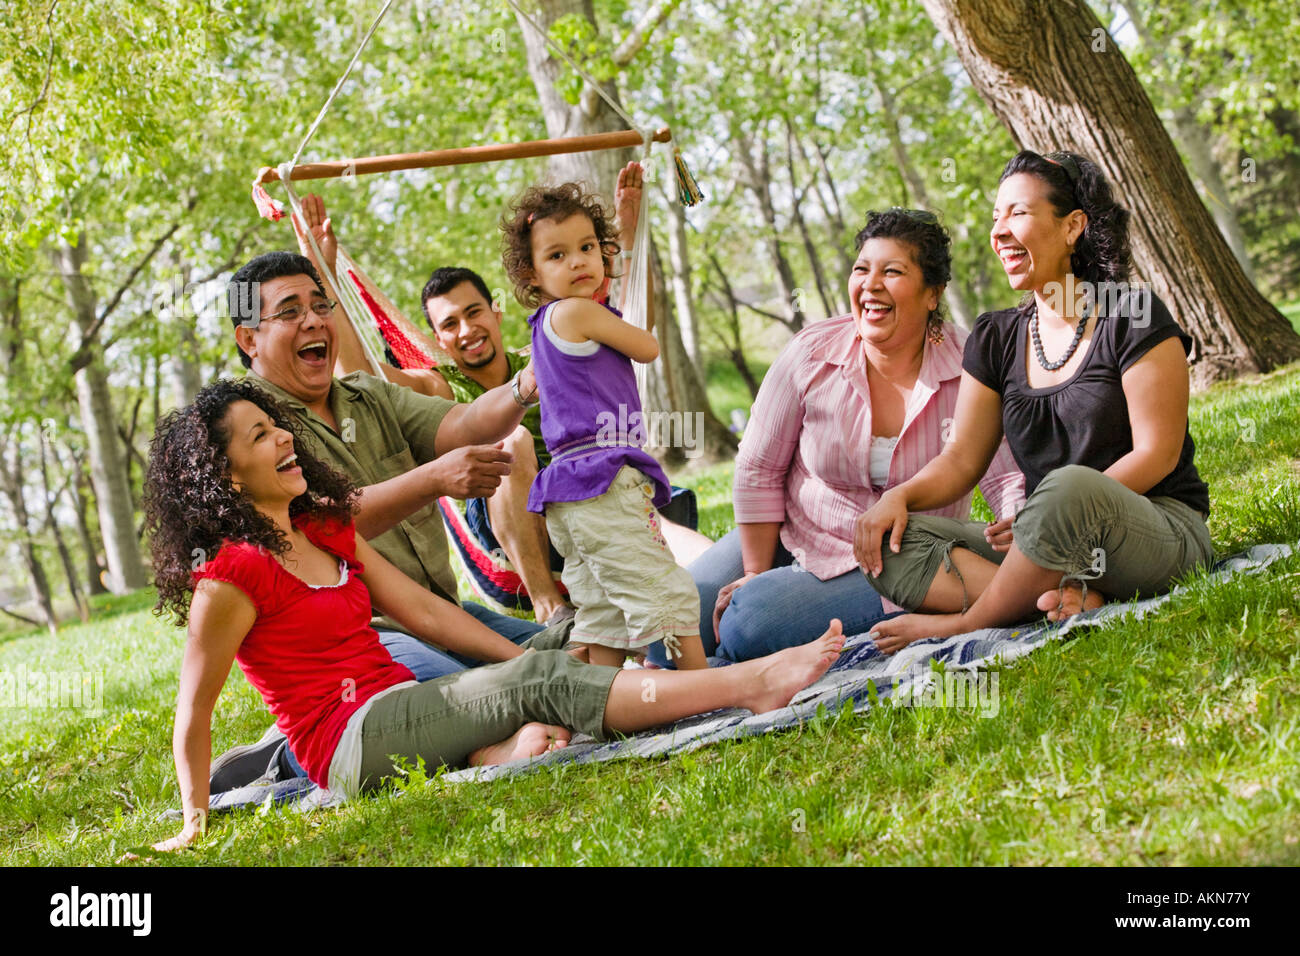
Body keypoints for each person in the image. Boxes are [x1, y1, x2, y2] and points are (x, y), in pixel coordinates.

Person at [143, 380, 846, 851]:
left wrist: (527, 660)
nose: (283, 438)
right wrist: (193, 820)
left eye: (276, 426)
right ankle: (749, 685)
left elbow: (423, 610)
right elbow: (193, 712)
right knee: (547, 681)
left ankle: (499, 749)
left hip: (403, 704)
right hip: (348, 745)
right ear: (226, 475)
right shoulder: (229, 575)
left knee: (586, 626)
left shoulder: (323, 525)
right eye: (260, 436)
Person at [288, 170, 713, 625]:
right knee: (512, 443)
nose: (466, 330)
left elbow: (619, 320)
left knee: (653, 527)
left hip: (585, 491)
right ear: (438, 339)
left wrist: (628, 231)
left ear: (496, 311)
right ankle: (551, 606)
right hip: (503, 522)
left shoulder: (542, 350)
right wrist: (325, 276)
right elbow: (359, 375)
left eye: (473, 313)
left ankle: (722, 575)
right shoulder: (439, 384)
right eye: (450, 325)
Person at [856, 150, 1214, 652]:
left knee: (1067, 486)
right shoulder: (996, 335)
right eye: (995, 217)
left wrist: (1050, 512)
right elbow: (960, 459)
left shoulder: (1131, 314)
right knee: (897, 543)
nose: (999, 230)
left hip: (1157, 528)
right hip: (1050, 539)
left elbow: (1157, 454)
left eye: (1017, 213)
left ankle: (973, 620)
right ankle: (1065, 595)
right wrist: (899, 497)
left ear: (1072, 227)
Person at [659, 208, 1026, 666]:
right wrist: (753, 570)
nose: (871, 284)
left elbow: (1004, 475)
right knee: (669, 627)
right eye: (861, 269)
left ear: (933, 293)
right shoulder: (812, 352)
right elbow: (758, 467)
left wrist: (1015, 520)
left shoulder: (968, 363)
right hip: (794, 532)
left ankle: (733, 660)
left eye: (892, 271)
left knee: (746, 622)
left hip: (890, 561)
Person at [226, 250, 546, 683]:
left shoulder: (369, 394)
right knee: (489, 696)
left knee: (565, 658)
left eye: (321, 306)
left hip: (446, 616)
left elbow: (465, 424)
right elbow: (323, 523)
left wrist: (527, 384)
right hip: (362, 639)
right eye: (290, 312)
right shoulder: (251, 430)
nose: (315, 321)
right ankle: (287, 751)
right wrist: (433, 478)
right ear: (249, 341)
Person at [498, 178, 708, 669]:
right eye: (557, 255)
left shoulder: (551, 325)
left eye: (587, 247)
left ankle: (602, 708)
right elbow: (647, 344)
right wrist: (627, 248)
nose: (577, 262)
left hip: (571, 493)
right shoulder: (577, 312)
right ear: (531, 273)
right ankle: (705, 688)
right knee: (661, 588)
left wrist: (627, 240)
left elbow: (634, 320)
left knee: (603, 610)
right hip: (604, 481)